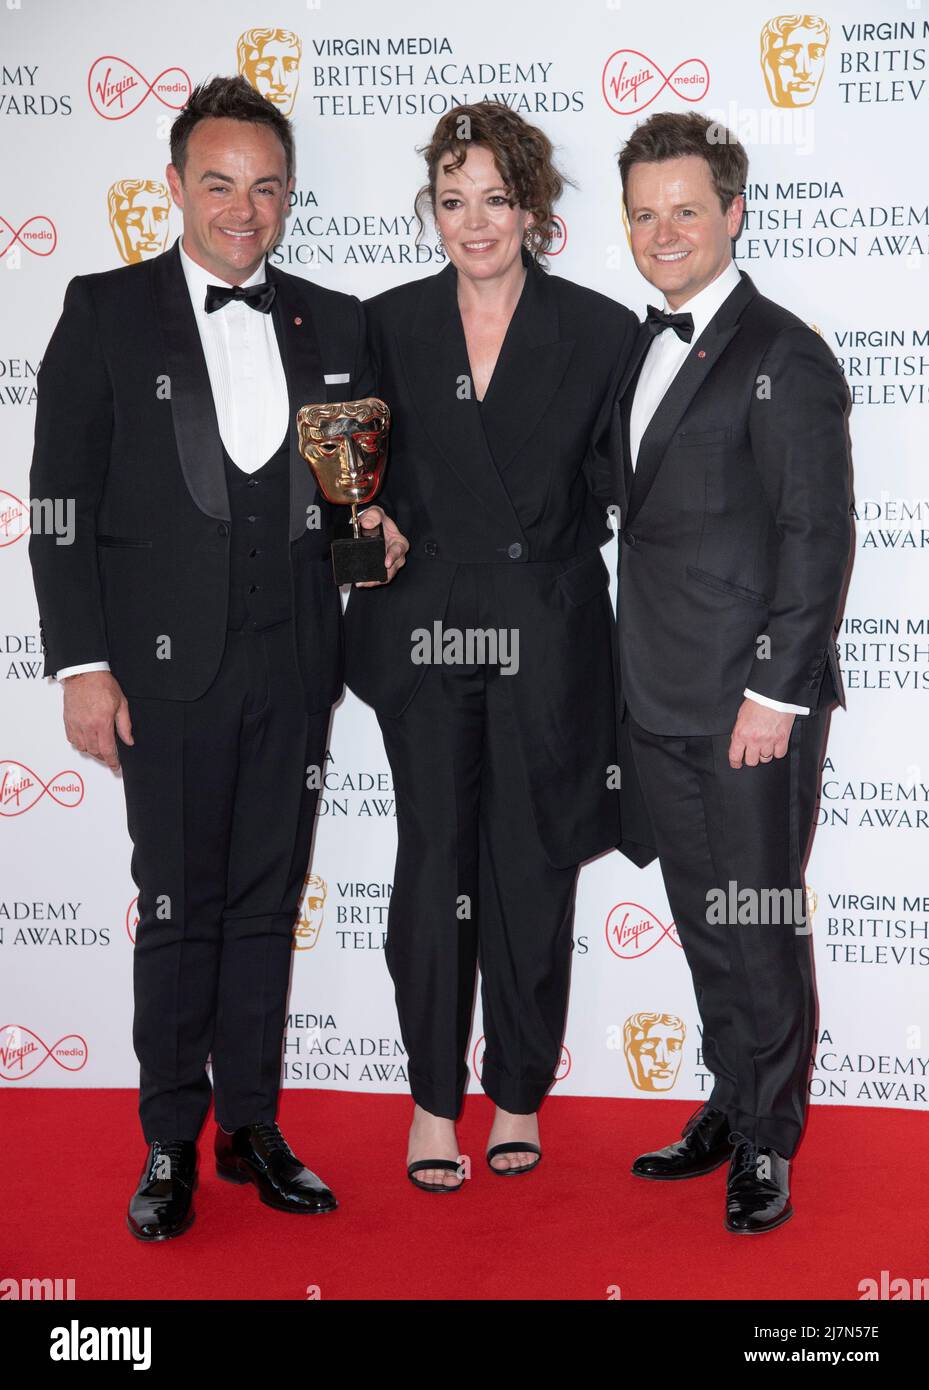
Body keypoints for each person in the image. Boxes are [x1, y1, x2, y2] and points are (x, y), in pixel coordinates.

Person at [28, 75, 407, 1241]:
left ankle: (249, 1126)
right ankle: (165, 1138)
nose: (244, 209)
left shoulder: (336, 321)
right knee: (177, 907)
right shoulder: (103, 309)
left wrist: (373, 541)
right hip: (161, 672)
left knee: (260, 905)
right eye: (219, 183)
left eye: (265, 187)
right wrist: (80, 664)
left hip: (293, 662)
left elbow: (352, 500)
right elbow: (58, 503)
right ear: (176, 185)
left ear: (288, 195)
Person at [344, 101, 647, 1192]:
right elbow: (342, 489)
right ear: (431, 209)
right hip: (422, 627)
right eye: (453, 199)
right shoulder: (377, 324)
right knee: (432, 869)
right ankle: (432, 1100)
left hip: (544, 631)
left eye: (496, 198)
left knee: (528, 864)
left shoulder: (605, 331)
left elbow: (627, 494)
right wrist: (357, 538)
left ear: (533, 208)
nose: (474, 222)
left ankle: (515, 1091)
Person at [603, 110, 851, 1233]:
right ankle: (727, 1096)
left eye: (684, 210)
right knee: (702, 917)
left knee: (753, 918)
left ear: (732, 214)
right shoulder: (637, 346)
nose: (662, 231)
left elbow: (815, 535)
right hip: (652, 687)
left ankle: (769, 1137)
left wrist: (776, 691)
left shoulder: (782, 354)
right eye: (644, 212)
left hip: (745, 703)